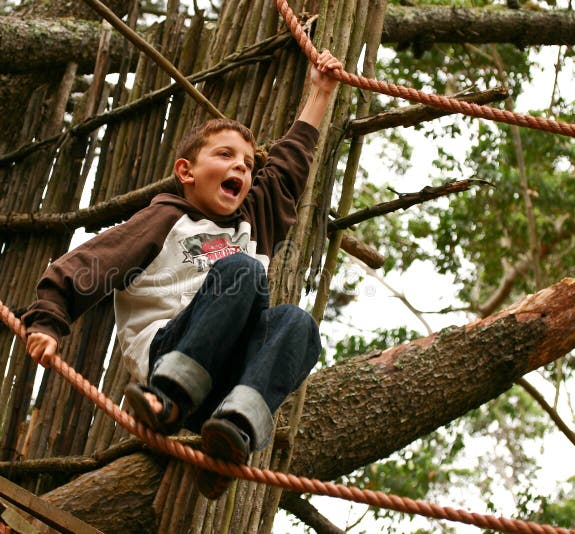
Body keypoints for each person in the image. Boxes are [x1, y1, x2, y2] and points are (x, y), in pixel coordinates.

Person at [24, 50, 343, 499]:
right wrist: (48, 322)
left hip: (224, 386)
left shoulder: (254, 224)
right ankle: (168, 398)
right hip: (168, 357)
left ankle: (232, 436)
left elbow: (289, 168)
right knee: (244, 271)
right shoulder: (164, 220)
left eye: (249, 165)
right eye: (226, 155)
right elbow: (86, 264)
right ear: (186, 172)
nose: (241, 167)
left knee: (299, 325)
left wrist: (322, 91)